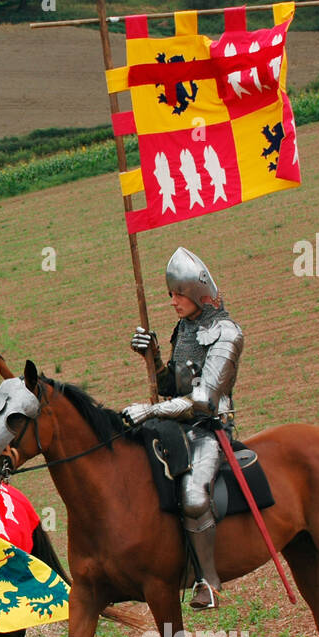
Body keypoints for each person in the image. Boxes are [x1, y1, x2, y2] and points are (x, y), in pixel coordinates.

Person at [121, 248, 244, 610]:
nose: (172, 301)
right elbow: (173, 385)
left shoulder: (227, 333)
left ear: (196, 293)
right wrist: (154, 357)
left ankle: (209, 581)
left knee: (192, 497)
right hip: (176, 422)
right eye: (170, 295)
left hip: (208, 428)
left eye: (177, 294)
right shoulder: (186, 328)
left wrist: (149, 410)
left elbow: (204, 399)